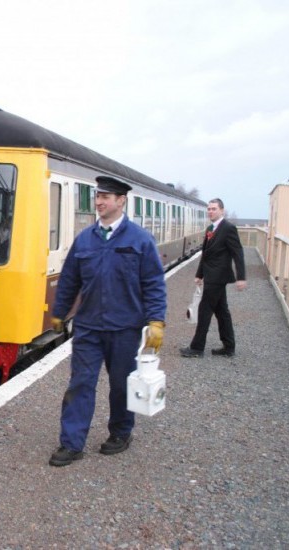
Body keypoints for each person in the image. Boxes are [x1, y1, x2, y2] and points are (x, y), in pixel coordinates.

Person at [48, 175, 167, 467]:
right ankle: (72, 443)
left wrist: (156, 321)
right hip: (89, 327)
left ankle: (121, 433)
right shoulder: (85, 239)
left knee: (121, 385)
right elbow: (69, 281)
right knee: (80, 384)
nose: (99, 202)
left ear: (121, 201)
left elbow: (153, 282)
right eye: (97, 196)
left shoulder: (139, 239)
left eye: (105, 197)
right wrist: (59, 313)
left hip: (125, 328)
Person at [180, 198, 246, 358]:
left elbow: (238, 253)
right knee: (222, 311)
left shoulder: (229, 228)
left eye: (214, 209)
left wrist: (241, 277)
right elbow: (206, 254)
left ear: (222, 210)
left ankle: (197, 348)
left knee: (204, 310)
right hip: (210, 275)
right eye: (209, 209)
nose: (210, 211)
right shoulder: (210, 228)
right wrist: (199, 274)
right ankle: (229, 346)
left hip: (218, 276)